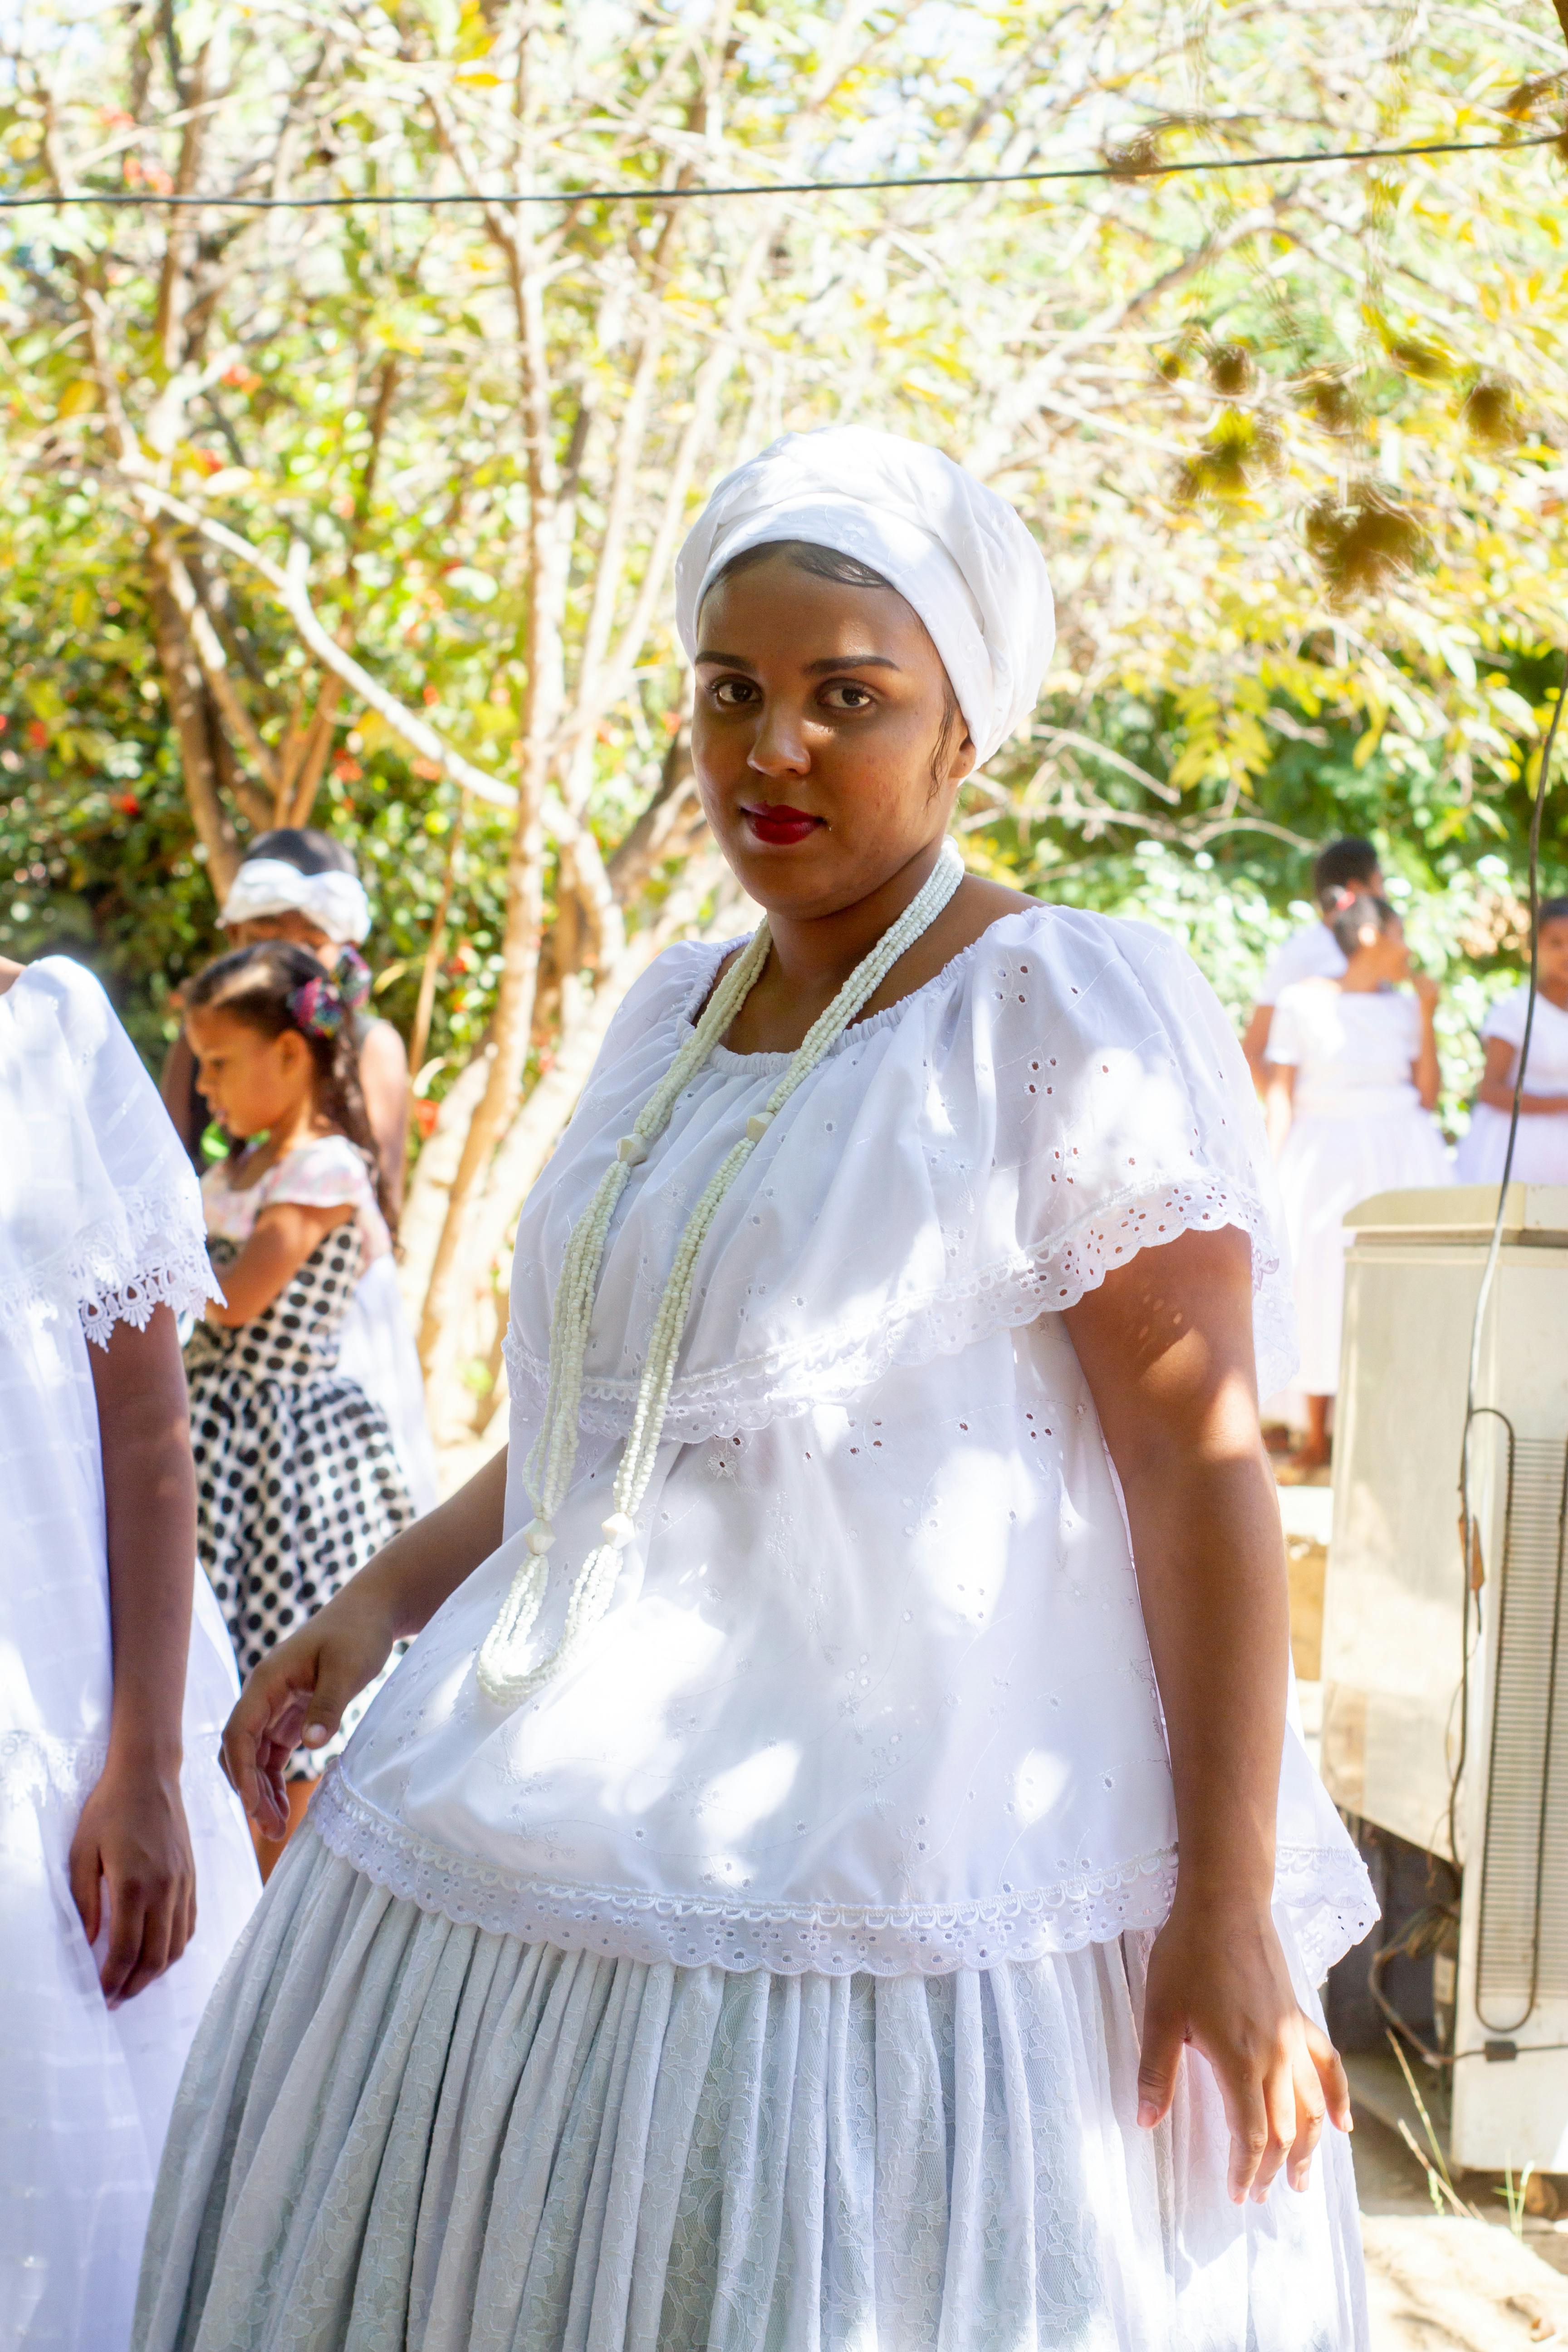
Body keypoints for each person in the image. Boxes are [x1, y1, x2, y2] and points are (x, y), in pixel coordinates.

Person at [136, 429, 1374, 2352]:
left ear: (961, 729)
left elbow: (1191, 1463)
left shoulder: (1055, 1009)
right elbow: (614, 1407)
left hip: (913, 1861)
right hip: (538, 1791)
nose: (768, 749)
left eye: (842, 697)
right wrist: (381, 1594)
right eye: (731, 692)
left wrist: (1225, 1897)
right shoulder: (668, 1009)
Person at [0, 953, 260, 2352]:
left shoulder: (51, 1040)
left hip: (62, 1742)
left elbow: (150, 1431)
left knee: (84, 2207)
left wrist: (147, 1765)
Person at [181, 941, 416, 1869]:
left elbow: (236, 1295)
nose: (204, 1087)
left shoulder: (320, 1172)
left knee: (280, 1677)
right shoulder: (234, 1172)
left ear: (290, 1054)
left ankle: (278, 1878)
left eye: (219, 1062)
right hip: (210, 1437)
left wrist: (130, 1270)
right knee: (207, 1665)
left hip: (280, 1456)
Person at [161, 827, 438, 1514]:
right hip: (224, 1302)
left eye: (302, 941)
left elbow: (376, 1187)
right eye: (259, 938)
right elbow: (171, 1157)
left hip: (319, 1314)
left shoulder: (370, 1047)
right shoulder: (210, 1044)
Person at [1265, 896, 1450, 1471]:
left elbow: (1428, 1093)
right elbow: (1281, 1089)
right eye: (1401, 932)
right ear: (1371, 935)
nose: (1410, 947)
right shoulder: (1300, 1000)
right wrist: (1270, 1164)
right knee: (1318, 1276)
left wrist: (1427, 1012)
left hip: (1401, 1148)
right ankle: (1316, 1436)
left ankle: (1389, 1435)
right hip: (1327, 1148)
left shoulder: (1404, 1007)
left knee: (1404, 1282)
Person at [1240, 838, 1386, 1088]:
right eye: (1380, 884)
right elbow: (1253, 1051)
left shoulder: (1381, 951)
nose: (1385, 896)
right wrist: (1294, 1113)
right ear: (1356, 888)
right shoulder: (1300, 952)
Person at [1454, 896, 1568, 1187]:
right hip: (1515, 1156)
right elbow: (1490, 1090)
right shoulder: (1515, 1009)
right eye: (1556, 943)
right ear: (1536, 946)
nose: (1566, 954)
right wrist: (1562, 1104)